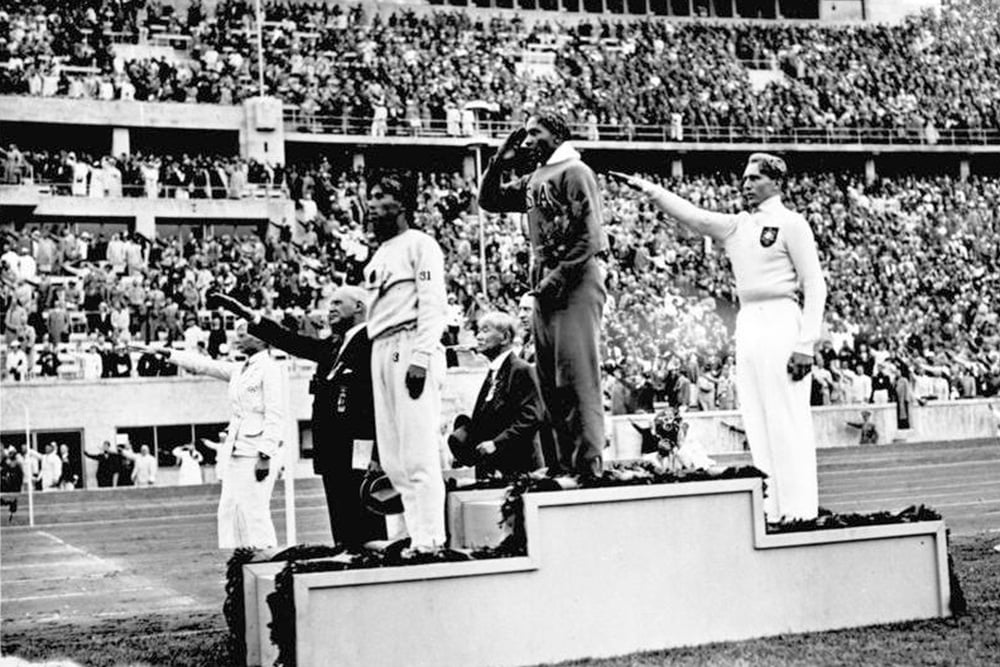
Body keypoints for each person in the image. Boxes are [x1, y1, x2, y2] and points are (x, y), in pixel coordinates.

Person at [614, 153, 827, 521]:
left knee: (785, 416)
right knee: (757, 417)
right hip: (749, 320)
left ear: (776, 182)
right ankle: (773, 506)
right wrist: (649, 189)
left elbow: (814, 283)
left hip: (781, 316)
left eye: (754, 179)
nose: (746, 185)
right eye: (744, 179)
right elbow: (693, 216)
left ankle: (800, 509)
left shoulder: (792, 224)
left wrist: (805, 343)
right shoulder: (737, 225)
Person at [479, 113, 609, 478]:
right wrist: (498, 162)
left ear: (557, 135)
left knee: (577, 378)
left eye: (535, 132)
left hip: (575, 284)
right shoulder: (536, 177)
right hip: (546, 288)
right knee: (550, 382)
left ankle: (588, 466)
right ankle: (561, 464)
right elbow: (489, 200)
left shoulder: (575, 172)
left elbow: (590, 237)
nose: (527, 140)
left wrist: (552, 281)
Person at [210, 286, 387, 552]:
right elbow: (292, 342)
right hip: (333, 450)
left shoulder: (374, 343)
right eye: (329, 304)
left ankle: (375, 578)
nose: (331, 309)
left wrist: (375, 454)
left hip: (359, 450)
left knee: (367, 524)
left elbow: (378, 401)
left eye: (338, 303)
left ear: (360, 307)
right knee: (343, 527)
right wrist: (252, 317)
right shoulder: (334, 344)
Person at [131, 321, 288, 549]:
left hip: (256, 451)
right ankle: (236, 559)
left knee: (255, 510)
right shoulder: (240, 369)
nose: (238, 337)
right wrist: (166, 353)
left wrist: (265, 455)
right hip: (236, 448)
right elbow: (204, 365)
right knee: (229, 508)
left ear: (261, 339)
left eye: (244, 333)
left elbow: (275, 414)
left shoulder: (270, 369)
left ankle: (267, 561)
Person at [362, 172, 449, 558]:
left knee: (418, 450)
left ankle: (432, 538)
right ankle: (415, 536)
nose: (373, 201)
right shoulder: (379, 253)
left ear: (402, 203)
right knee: (395, 458)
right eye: (372, 195)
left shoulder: (421, 245)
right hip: (380, 346)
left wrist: (421, 356)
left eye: (382, 194)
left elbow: (433, 303)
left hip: (408, 342)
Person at [447, 311, 545, 478]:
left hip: (520, 467)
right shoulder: (493, 372)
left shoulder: (522, 370)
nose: (478, 336)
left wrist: (496, 444)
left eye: (485, 330)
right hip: (493, 468)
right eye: (478, 331)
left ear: (505, 337)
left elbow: (532, 417)